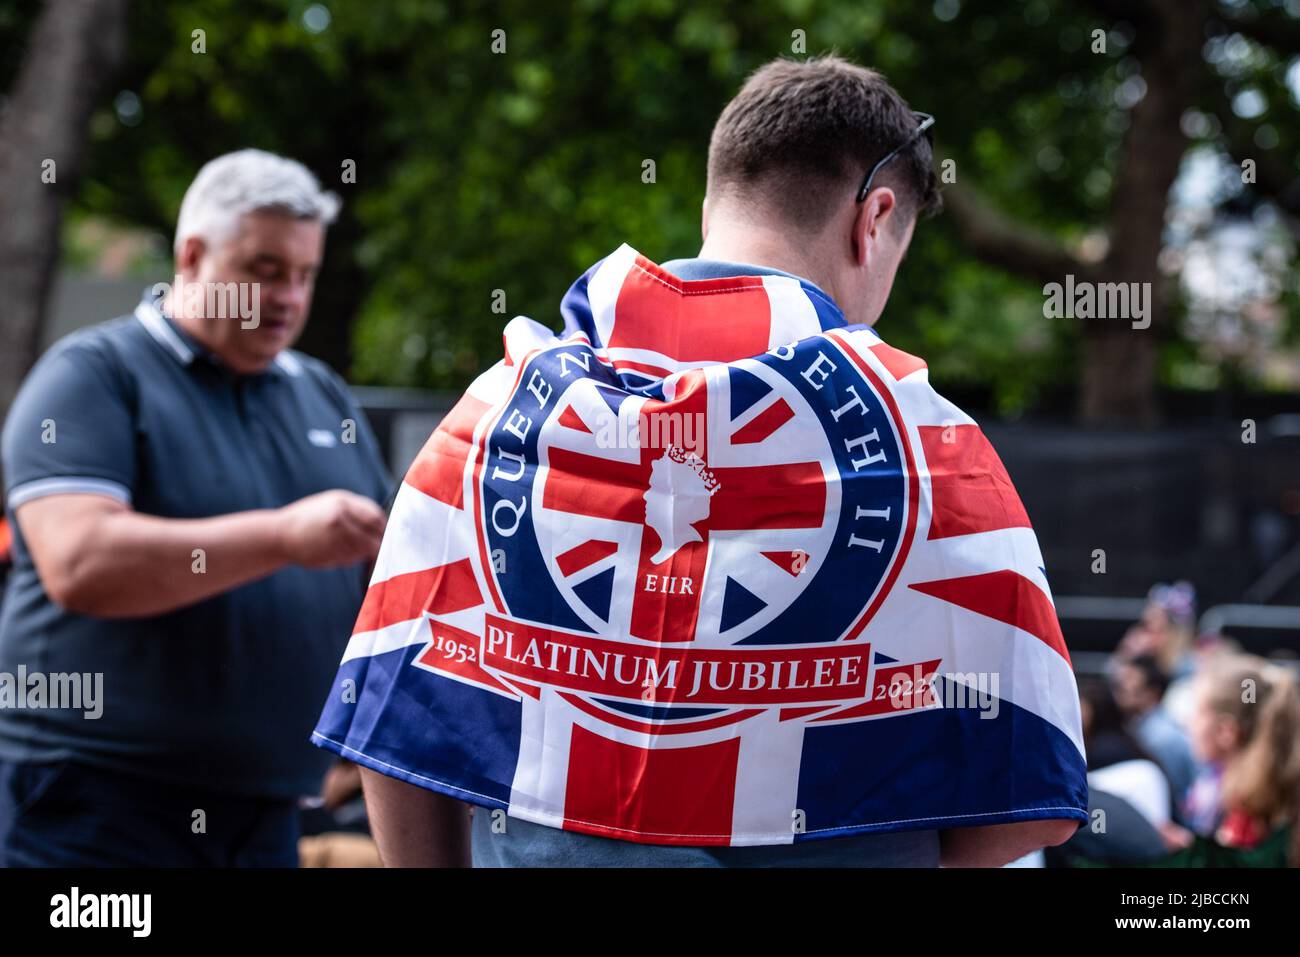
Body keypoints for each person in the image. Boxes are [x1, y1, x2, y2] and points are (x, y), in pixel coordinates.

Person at [336, 55, 1083, 868]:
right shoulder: (931, 445)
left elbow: (394, 715)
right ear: (874, 219)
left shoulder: (491, 414)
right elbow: (1035, 790)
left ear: (709, 200)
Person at [0, 149, 391, 866]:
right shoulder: (93, 376)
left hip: (268, 811)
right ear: (191, 255)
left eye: (304, 275)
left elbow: (388, 581)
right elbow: (79, 561)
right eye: (263, 270)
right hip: (92, 806)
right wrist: (284, 536)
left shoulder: (323, 396)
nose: (287, 298)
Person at [1184, 653, 1300, 859]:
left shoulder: (1250, 813)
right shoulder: (1259, 787)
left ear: (1226, 732)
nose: (1187, 722)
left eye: (1198, 712)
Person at [1110, 654, 1197, 805]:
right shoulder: (1136, 725)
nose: (1120, 691)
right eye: (1119, 685)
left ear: (1152, 692)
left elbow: (1173, 796)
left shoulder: (1163, 738)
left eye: (1131, 686)